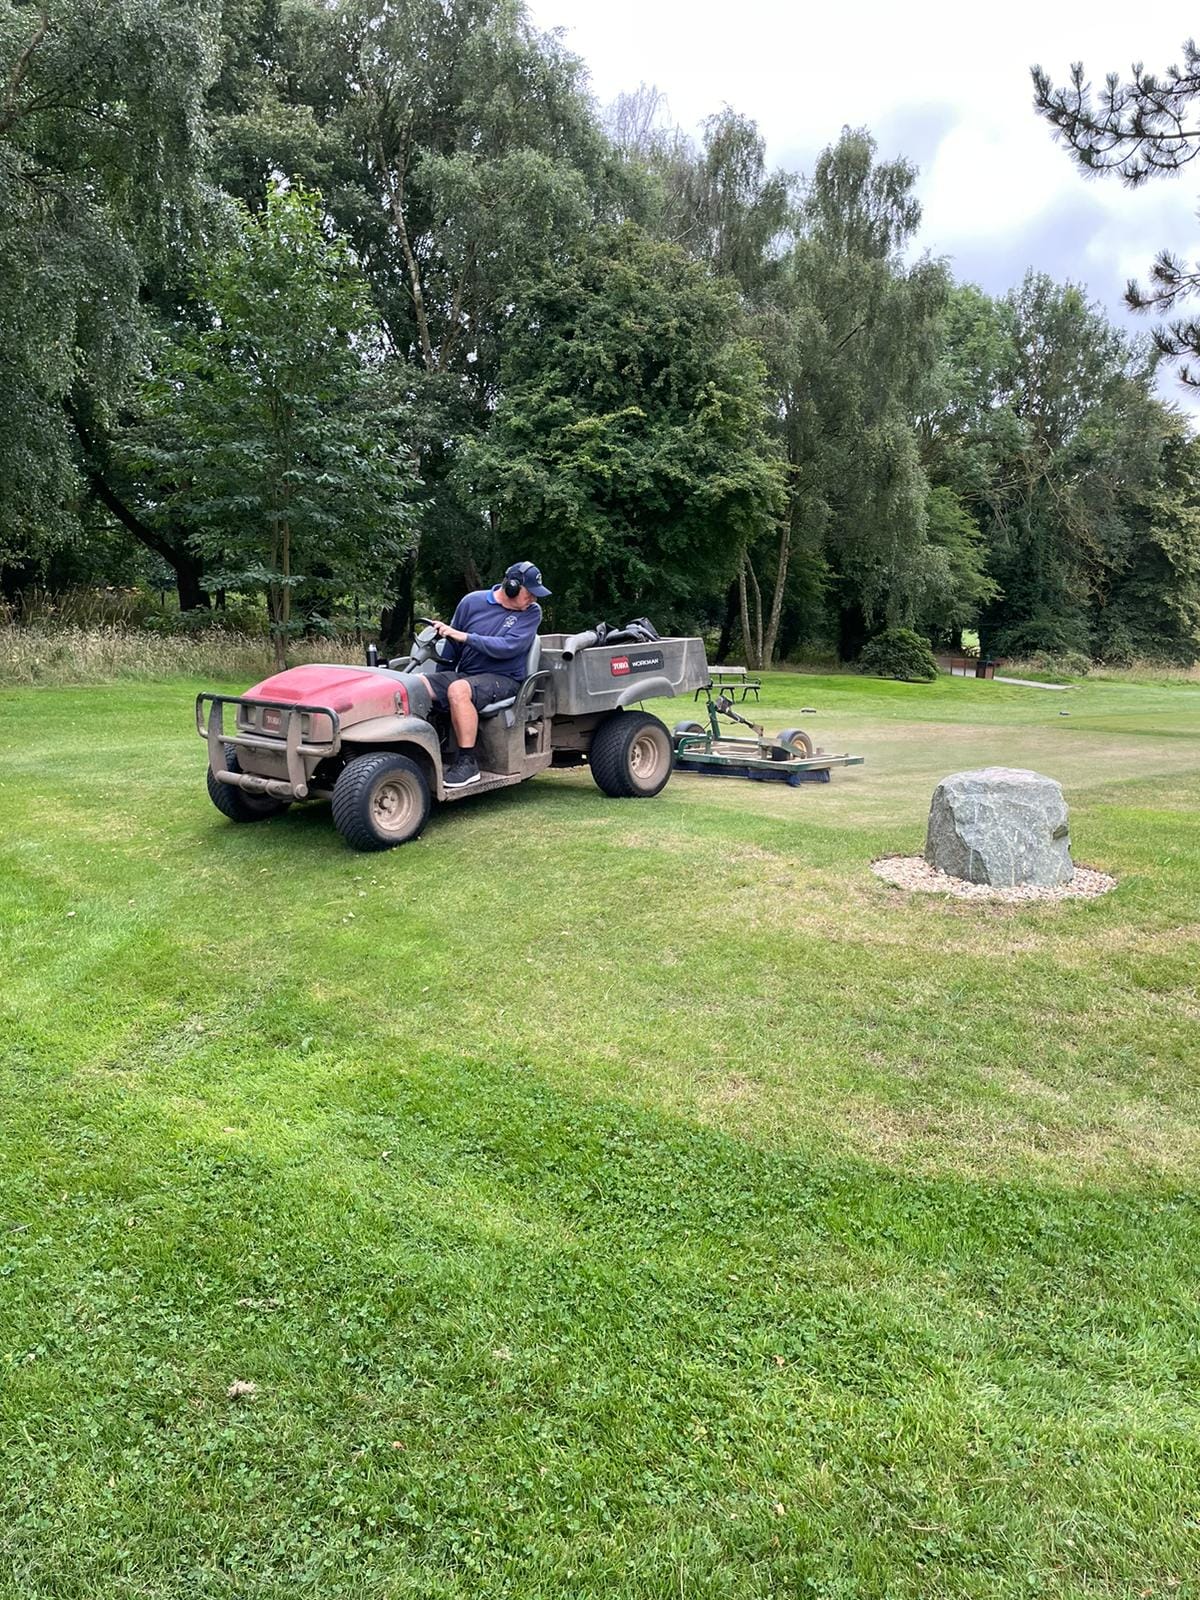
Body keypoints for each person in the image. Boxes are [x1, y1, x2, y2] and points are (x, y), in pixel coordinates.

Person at [426, 560, 551, 789]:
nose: (534, 598)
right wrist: (439, 681)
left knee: (458, 689)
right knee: (415, 685)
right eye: (530, 592)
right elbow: (452, 645)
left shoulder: (531, 613)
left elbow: (509, 647)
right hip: (467, 675)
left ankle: (467, 762)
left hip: (505, 680)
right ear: (511, 586)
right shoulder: (471, 602)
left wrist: (467, 637)